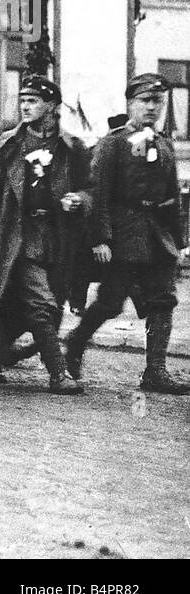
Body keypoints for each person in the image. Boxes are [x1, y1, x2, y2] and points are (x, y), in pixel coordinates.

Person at [0, 75, 88, 394]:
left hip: (57, 239)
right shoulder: (7, 145)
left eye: (33, 101)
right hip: (13, 238)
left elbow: (91, 187)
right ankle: (58, 374)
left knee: (45, 303)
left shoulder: (72, 147)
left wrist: (81, 199)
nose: (25, 106)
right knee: (37, 302)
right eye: (23, 101)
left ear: (52, 106)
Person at [63, 73, 190, 394]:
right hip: (122, 236)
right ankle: (75, 342)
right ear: (131, 103)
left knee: (163, 301)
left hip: (158, 235)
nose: (151, 108)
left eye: (157, 102)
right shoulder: (114, 143)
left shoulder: (164, 144)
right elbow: (99, 193)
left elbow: (173, 195)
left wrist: (181, 241)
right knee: (111, 302)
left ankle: (155, 371)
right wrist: (100, 239)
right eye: (145, 101)